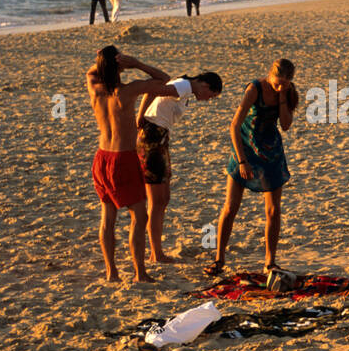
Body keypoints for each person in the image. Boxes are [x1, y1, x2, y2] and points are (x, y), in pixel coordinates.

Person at [86, 45, 180, 282]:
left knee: (107, 216)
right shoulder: (128, 90)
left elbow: (91, 72)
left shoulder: (95, 89)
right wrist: (136, 63)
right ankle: (140, 272)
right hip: (123, 158)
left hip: (101, 157)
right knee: (139, 216)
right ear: (120, 66)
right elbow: (164, 79)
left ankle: (112, 272)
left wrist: (103, 61)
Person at [216, 58, 298, 273]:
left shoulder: (287, 92)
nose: (280, 86)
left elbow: (286, 125)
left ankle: (270, 261)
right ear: (269, 74)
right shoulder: (254, 88)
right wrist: (242, 161)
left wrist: (282, 97)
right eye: (277, 82)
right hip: (244, 148)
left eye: (285, 83)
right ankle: (219, 259)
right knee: (230, 208)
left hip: (271, 152)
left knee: (273, 210)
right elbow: (234, 125)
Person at [136, 70, 223, 263]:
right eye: (211, 95)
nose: (208, 100)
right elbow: (152, 89)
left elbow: (156, 90)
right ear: (205, 85)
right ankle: (155, 253)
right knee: (157, 201)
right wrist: (140, 115)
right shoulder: (183, 86)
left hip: (160, 139)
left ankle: (155, 251)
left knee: (163, 199)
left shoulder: (184, 89)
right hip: (152, 138)